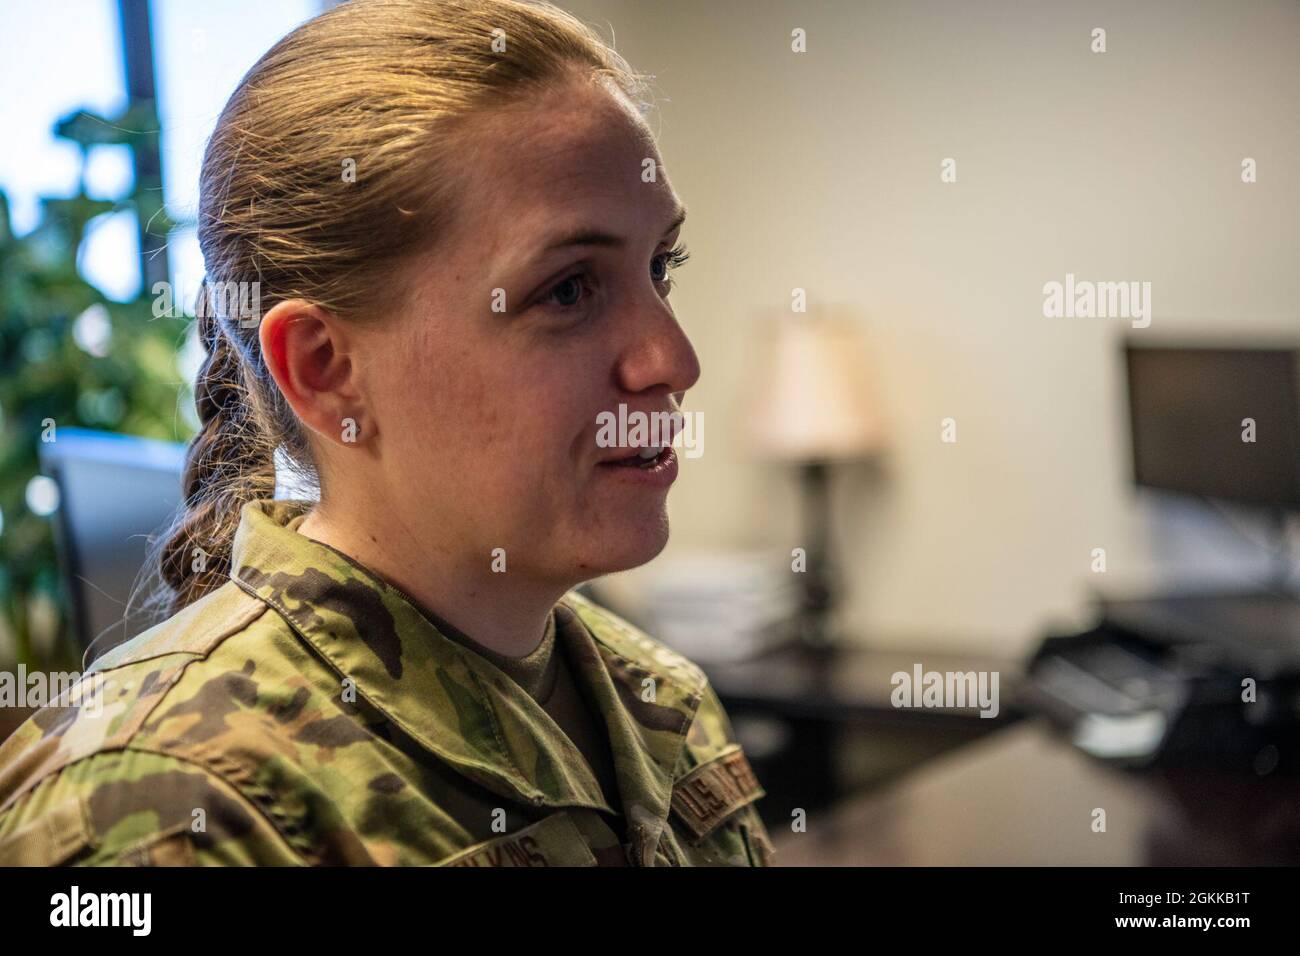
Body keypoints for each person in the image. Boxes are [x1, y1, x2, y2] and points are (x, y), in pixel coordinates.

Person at [0, 0, 774, 867]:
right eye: (567, 290)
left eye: (660, 267)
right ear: (328, 370)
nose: (672, 358)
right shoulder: (165, 806)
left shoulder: (665, 708)